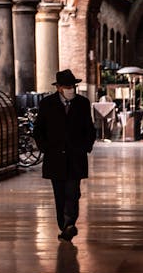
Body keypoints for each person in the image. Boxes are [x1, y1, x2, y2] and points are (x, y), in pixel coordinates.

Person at [33, 69, 96, 241]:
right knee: (59, 194)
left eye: (72, 86)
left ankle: (70, 223)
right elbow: (39, 129)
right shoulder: (47, 104)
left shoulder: (82, 103)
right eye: (67, 86)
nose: (71, 89)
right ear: (59, 88)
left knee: (73, 192)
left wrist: (85, 147)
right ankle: (64, 225)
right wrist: (46, 148)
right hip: (55, 157)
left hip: (76, 156)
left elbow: (89, 129)